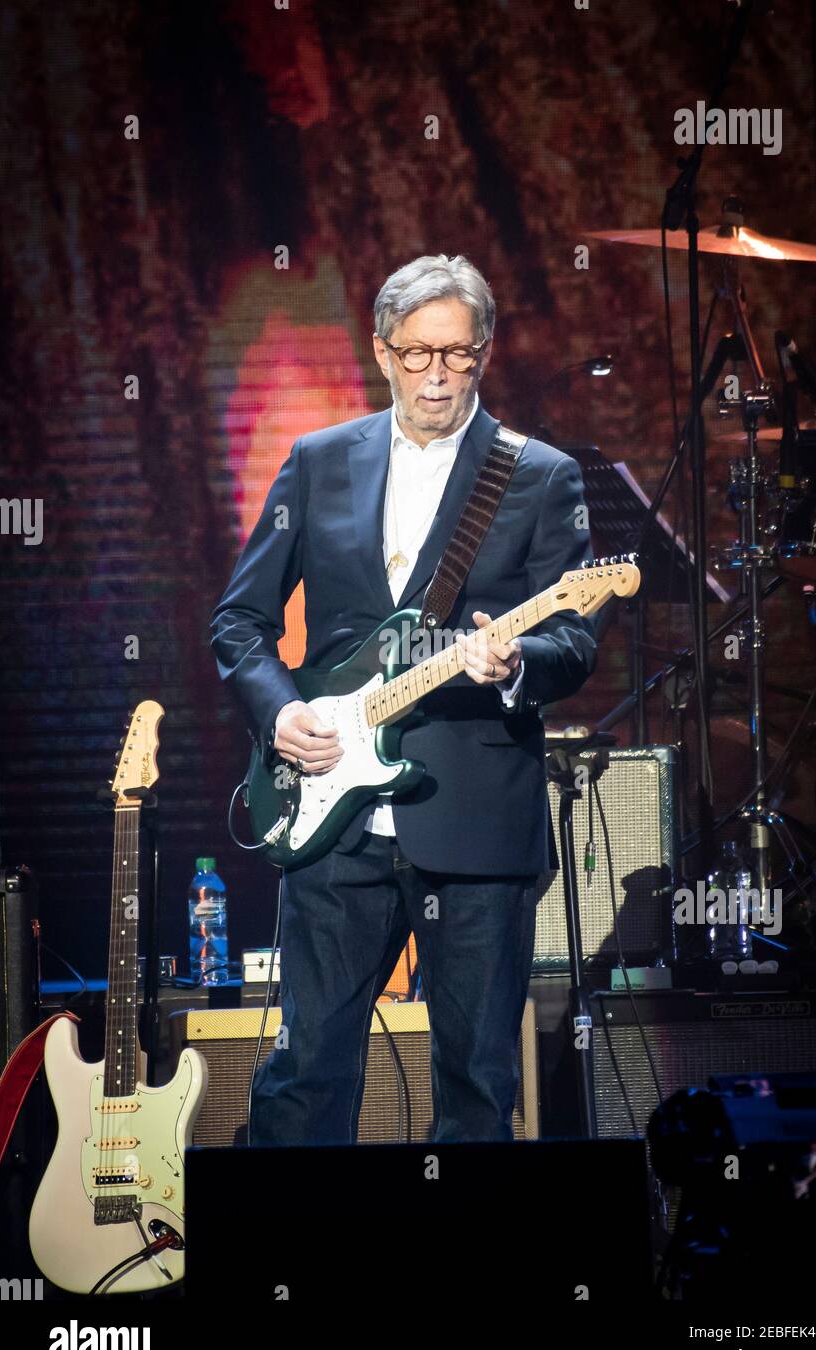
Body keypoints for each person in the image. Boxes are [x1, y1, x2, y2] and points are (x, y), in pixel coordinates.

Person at [210, 253, 596, 1144]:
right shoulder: (315, 462)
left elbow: (573, 641)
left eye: (456, 355)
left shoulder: (538, 474)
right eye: (417, 353)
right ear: (382, 352)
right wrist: (281, 713)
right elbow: (238, 624)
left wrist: (513, 666)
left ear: (484, 354)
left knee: (474, 1088)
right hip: (334, 816)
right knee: (305, 1076)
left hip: (475, 820)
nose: (436, 375)